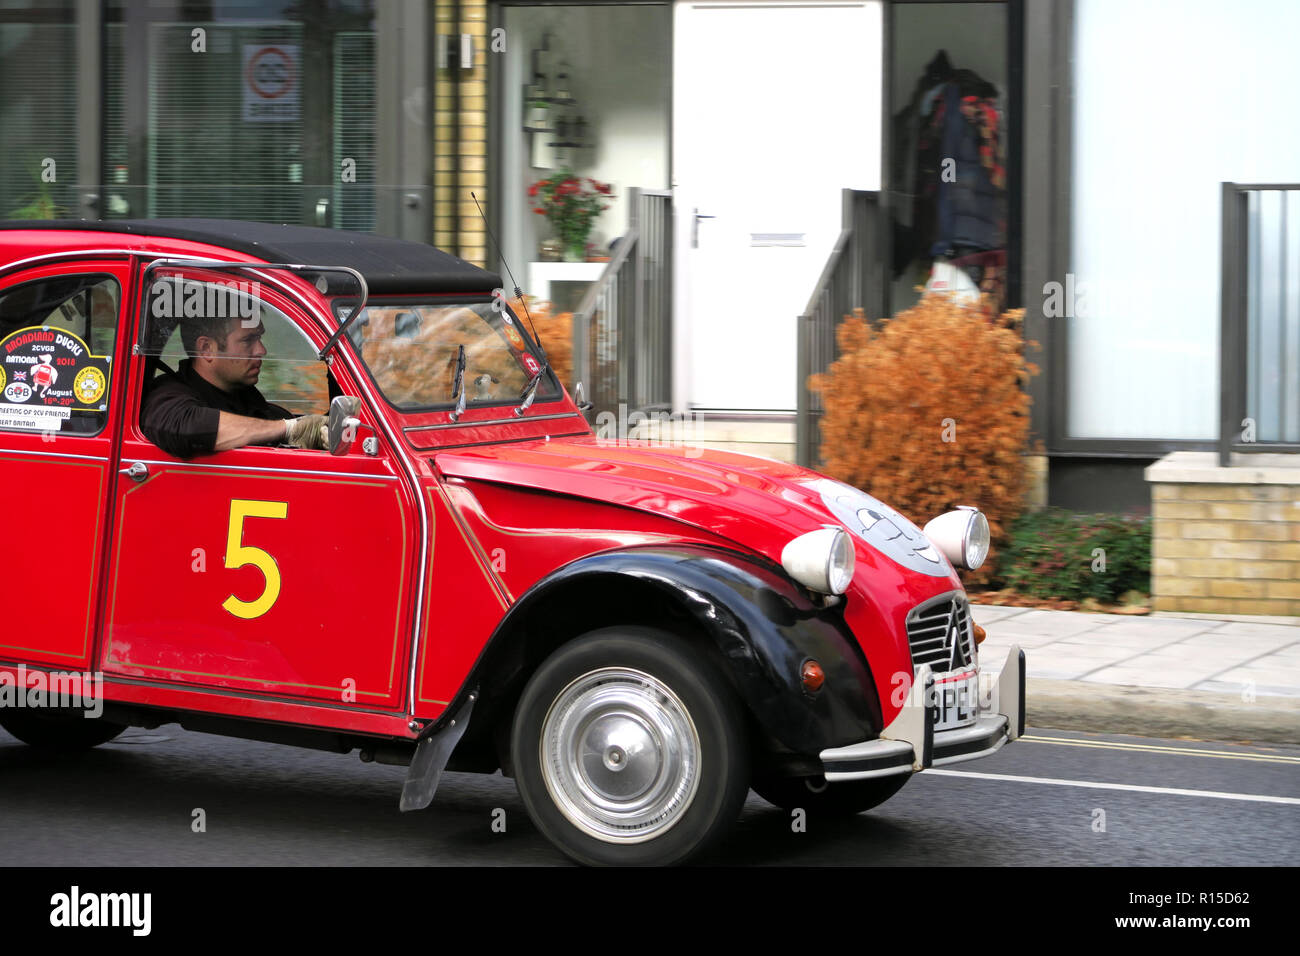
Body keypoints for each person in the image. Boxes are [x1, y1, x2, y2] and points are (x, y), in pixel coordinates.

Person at [141, 312, 327, 460]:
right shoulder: (167, 395)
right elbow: (183, 424)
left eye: (259, 338)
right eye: (248, 340)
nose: (261, 350)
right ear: (207, 348)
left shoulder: (250, 403)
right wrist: (287, 429)